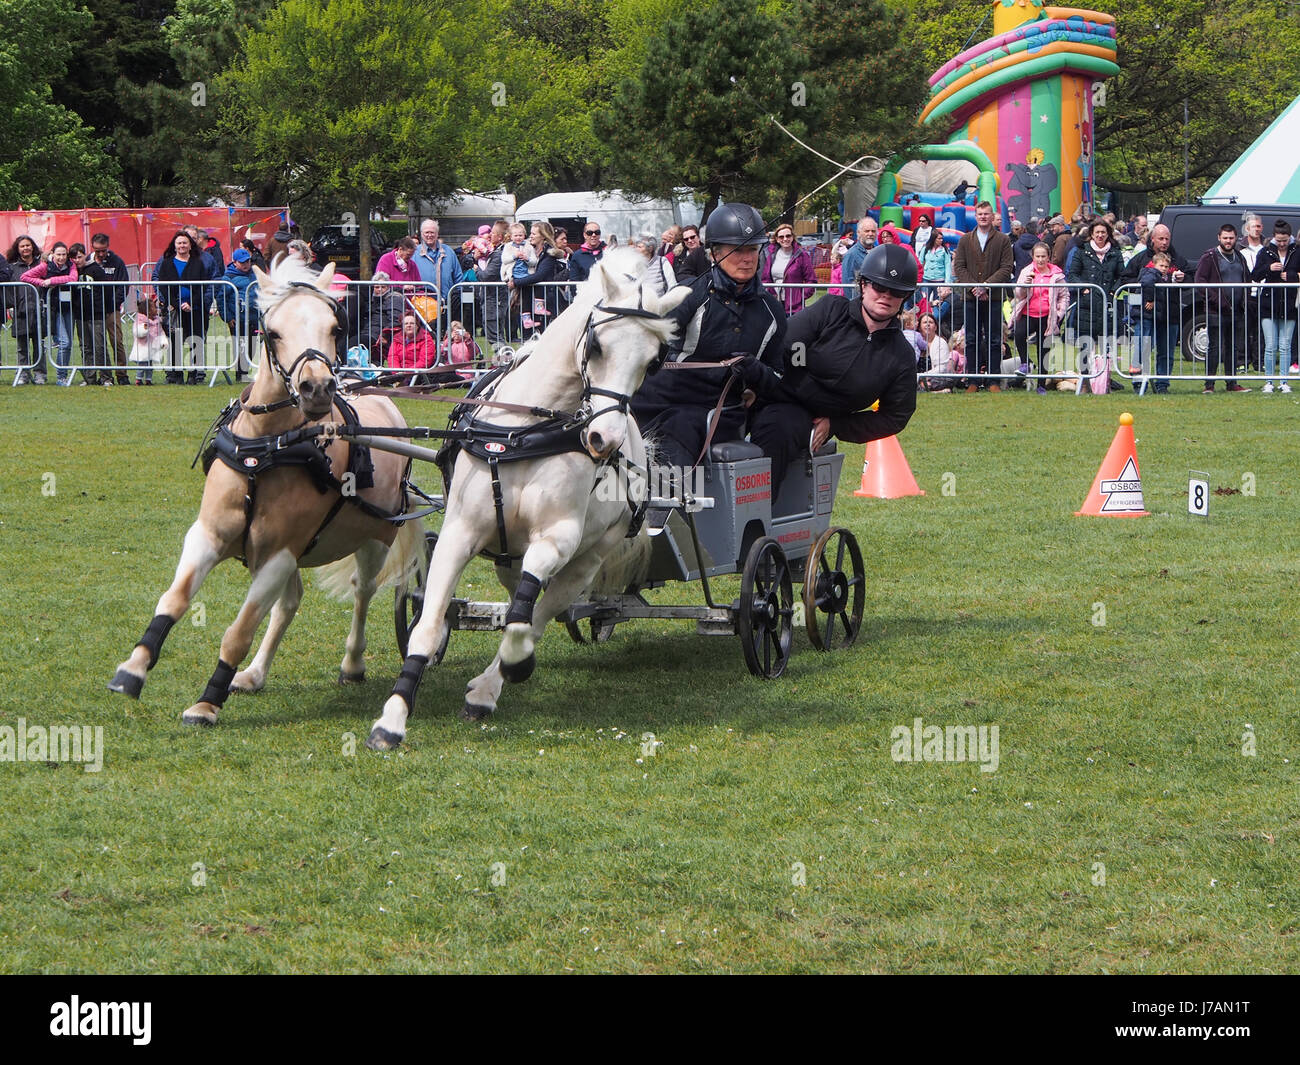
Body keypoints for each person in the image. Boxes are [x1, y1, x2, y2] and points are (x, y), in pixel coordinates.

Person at [746, 244, 919, 495]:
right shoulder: (830, 310)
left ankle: (756, 516)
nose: (886, 296)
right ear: (863, 285)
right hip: (775, 393)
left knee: (778, 429)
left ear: (905, 297)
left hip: (805, 418)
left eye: (896, 291)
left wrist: (837, 424)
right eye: (879, 287)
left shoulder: (900, 356)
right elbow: (786, 344)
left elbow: (896, 415)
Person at [631, 202, 786, 471]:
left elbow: (778, 380)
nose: (747, 258)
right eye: (737, 250)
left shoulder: (771, 312)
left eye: (752, 249)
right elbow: (647, 345)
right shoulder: (689, 293)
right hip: (659, 400)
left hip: (715, 414)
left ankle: (669, 508)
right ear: (715, 253)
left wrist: (754, 371)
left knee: (678, 429)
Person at [953, 201, 1014, 390]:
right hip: (971, 298)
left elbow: (1006, 267)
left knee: (994, 339)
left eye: (986, 214)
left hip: (994, 297)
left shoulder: (1003, 240)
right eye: (979, 214)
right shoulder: (965, 239)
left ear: (992, 216)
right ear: (975, 216)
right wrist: (974, 287)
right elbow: (959, 267)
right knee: (971, 339)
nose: (983, 217)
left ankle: (993, 380)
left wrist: (986, 287)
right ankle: (973, 380)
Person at [1067, 218, 1124, 390]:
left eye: (1103, 232)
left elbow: (1122, 276)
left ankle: (1104, 381)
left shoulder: (1115, 253)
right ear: (1091, 233)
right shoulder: (1081, 252)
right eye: (1097, 232)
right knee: (1086, 346)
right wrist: (1084, 288)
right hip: (1087, 305)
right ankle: (1085, 382)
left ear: (1108, 234)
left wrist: (1114, 291)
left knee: (1107, 347)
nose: (1100, 235)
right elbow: (1072, 275)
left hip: (1107, 305)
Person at [1195, 223, 1252, 393]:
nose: (1228, 241)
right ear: (1219, 238)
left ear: (1236, 239)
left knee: (1232, 347)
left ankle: (1231, 383)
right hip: (1216, 311)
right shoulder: (1210, 257)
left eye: (1231, 238)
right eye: (1225, 238)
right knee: (1214, 347)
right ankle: (1209, 385)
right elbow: (1200, 282)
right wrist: (1217, 300)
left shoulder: (1240, 257)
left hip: (1236, 310)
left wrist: (1246, 299)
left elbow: (1247, 279)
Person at [1010, 241, 1071, 392]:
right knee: (1019, 333)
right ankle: (1025, 363)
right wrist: (1026, 284)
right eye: (1037, 256)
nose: (1040, 259)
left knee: (1043, 350)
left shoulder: (1056, 274)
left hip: (1047, 316)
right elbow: (1018, 293)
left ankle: (1041, 385)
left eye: (1043, 256)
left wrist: (1059, 313)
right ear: (1033, 257)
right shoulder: (1027, 271)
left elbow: (1064, 295)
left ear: (1048, 257)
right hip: (1028, 313)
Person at [152, 230, 211, 384]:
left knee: (195, 341)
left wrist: (191, 303)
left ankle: (194, 374)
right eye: (179, 243)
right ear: (175, 245)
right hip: (174, 309)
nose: (182, 245)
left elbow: (202, 287)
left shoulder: (198, 263)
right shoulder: (167, 263)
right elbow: (164, 286)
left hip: (194, 309)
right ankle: (175, 375)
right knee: (175, 341)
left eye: (185, 242)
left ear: (190, 245)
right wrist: (175, 304)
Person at [1252, 218, 1300, 394]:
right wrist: (1269, 268)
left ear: (1290, 238)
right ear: (1273, 237)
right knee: (1270, 345)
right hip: (1268, 304)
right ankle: (1269, 381)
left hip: (1289, 304)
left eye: (1285, 241)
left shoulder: (1297, 251)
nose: (1281, 244)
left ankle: (1284, 381)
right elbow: (1255, 275)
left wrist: (1293, 275)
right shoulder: (1265, 252)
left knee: (1285, 344)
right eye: (1279, 241)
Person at [21, 242, 79, 386]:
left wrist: (52, 281)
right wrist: (41, 283)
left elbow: (73, 278)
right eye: (58, 254)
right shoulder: (45, 266)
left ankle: (63, 376)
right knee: (64, 342)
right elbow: (25, 277)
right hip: (53, 308)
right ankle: (60, 376)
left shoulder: (71, 265)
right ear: (53, 254)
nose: (61, 258)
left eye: (64, 254)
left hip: (68, 307)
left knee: (69, 343)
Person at [84, 233, 132, 385]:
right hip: (92, 310)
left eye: (103, 250)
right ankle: (103, 375)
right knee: (96, 343)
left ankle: (122, 374)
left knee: (116, 341)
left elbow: (124, 285)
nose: (101, 254)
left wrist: (114, 303)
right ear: (93, 247)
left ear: (108, 247)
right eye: (98, 250)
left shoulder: (116, 261)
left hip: (112, 308)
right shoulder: (86, 261)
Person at [5, 235, 47, 383]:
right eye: (22, 246)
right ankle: (23, 373)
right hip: (20, 311)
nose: (25, 248)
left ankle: (40, 373)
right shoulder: (12, 267)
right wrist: (11, 305)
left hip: (38, 310)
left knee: (39, 345)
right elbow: (9, 290)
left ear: (33, 246)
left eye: (28, 245)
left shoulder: (41, 265)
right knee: (22, 346)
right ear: (18, 249)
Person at [511, 221, 566, 328]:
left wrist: (516, 282)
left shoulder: (550, 254)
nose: (530, 236)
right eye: (530, 233)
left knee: (543, 332)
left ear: (543, 236)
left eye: (533, 234)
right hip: (528, 297)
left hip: (545, 299)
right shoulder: (528, 250)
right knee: (528, 333)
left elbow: (539, 275)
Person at [215, 248, 259, 382]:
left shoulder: (254, 275)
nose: (246, 264)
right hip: (237, 319)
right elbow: (221, 298)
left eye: (248, 261)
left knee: (251, 345)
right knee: (240, 346)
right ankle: (240, 374)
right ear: (234, 262)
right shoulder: (228, 278)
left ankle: (245, 371)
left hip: (253, 317)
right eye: (242, 262)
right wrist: (228, 318)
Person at [67, 244, 108, 384]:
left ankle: (106, 377)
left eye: (79, 257)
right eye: (74, 258)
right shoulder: (72, 272)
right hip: (80, 314)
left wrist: (102, 307)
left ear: (85, 255)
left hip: (96, 314)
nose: (77, 260)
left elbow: (105, 291)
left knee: (99, 346)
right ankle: (89, 378)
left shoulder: (95, 269)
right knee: (85, 347)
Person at [1139, 252, 1179, 394]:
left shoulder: (1165, 278)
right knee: (1145, 348)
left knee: (1164, 351)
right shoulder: (1151, 274)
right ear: (1154, 264)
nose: (1163, 268)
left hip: (1166, 315)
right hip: (1152, 316)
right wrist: (1150, 299)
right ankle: (1140, 382)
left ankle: (1162, 383)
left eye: (1166, 266)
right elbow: (1147, 283)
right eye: (1161, 265)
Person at [760, 223, 816, 314]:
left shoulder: (802, 255)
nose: (785, 239)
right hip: (774, 304)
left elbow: (811, 280)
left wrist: (799, 297)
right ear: (777, 239)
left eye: (788, 236)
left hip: (794, 307)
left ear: (792, 237)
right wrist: (770, 294)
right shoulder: (770, 255)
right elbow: (765, 279)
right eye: (781, 237)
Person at [413, 218, 464, 317]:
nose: (429, 235)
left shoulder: (449, 251)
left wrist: (457, 298)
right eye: (426, 232)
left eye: (432, 232)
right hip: (423, 306)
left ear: (437, 233)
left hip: (447, 304)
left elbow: (458, 277)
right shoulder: (415, 254)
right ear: (421, 233)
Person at [1239, 212, 1266, 372]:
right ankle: (1242, 362)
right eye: (1253, 226)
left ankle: (1259, 362)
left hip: (1263, 295)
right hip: (1246, 296)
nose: (1256, 229)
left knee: (1260, 332)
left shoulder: (1267, 249)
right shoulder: (1241, 250)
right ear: (1247, 229)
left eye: (1258, 226)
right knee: (1244, 330)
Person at [839, 217, 878, 298]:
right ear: (859, 233)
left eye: (873, 231)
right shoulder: (851, 254)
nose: (870, 234)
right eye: (867, 231)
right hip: (859, 302)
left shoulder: (878, 252)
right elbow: (847, 283)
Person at [632, 233, 677, 299]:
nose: (636, 250)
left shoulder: (662, 261)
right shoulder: (634, 264)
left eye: (639, 247)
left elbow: (672, 285)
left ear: (650, 248)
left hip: (660, 304)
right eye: (636, 246)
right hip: (640, 306)